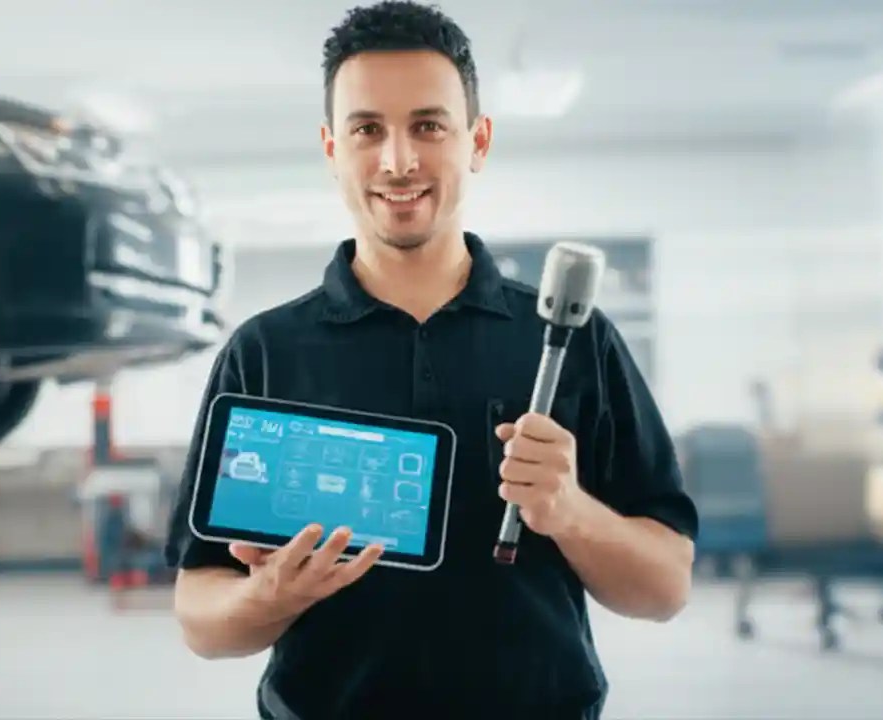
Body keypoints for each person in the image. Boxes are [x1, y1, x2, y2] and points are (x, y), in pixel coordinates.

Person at [163, 2, 699, 718]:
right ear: (331, 148)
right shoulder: (263, 353)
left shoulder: (573, 340)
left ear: (477, 140)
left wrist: (570, 511)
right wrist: (267, 597)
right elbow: (200, 613)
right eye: (367, 130)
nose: (398, 161)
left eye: (428, 126)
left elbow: (665, 588)